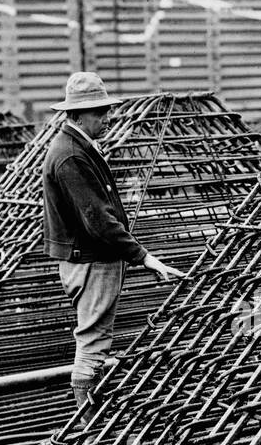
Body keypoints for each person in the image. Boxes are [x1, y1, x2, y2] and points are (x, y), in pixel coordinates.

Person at [42, 71, 185, 411]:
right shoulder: (71, 155)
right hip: (91, 260)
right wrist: (144, 256)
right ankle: (87, 424)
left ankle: (89, 408)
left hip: (89, 258)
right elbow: (97, 221)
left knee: (95, 338)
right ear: (77, 115)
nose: (106, 119)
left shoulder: (76, 147)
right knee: (92, 343)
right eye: (99, 113)